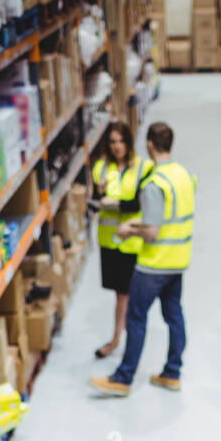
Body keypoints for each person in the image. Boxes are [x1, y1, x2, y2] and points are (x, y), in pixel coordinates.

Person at [89, 122, 196, 397]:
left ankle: (123, 379)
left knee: (136, 318)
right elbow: (168, 216)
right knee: (174, 316)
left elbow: (152, 231)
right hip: (178, 260)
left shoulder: (154, 183)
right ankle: (172, 373)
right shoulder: (183, 175)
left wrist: (128, 229)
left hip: (154, 263)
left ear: (149, 145)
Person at [91, 122, 154, 360]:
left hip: (132, 241)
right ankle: (122, 337)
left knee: (127, 295)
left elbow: (139, 203)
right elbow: (96, 201)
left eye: (121, 141)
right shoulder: (100, 168)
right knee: (120, 294)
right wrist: (98, 193)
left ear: (129, 142)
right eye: (112, 142)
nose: (117, 147)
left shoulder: (143, 167)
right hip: (109, 241)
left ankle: (119, 339)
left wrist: (113, 203)